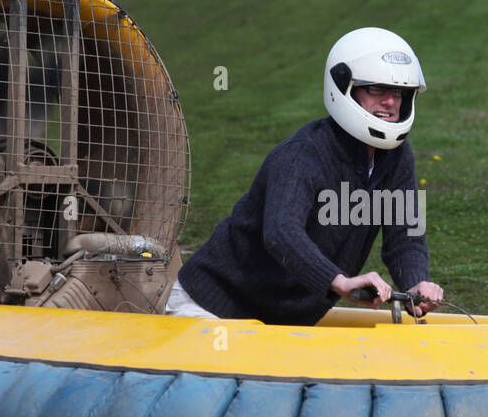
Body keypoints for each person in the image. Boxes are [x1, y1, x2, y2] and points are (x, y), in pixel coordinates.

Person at [167, 27, 444, 325]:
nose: (390, 102)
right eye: (376, 90)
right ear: (344, 88)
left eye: (399, 92)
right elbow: (281, 232)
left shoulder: (398, 157)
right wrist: (338, 281)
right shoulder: (304, 153)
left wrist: (416, 282)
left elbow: (405, 235)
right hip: (212, 305)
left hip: (286, 319)